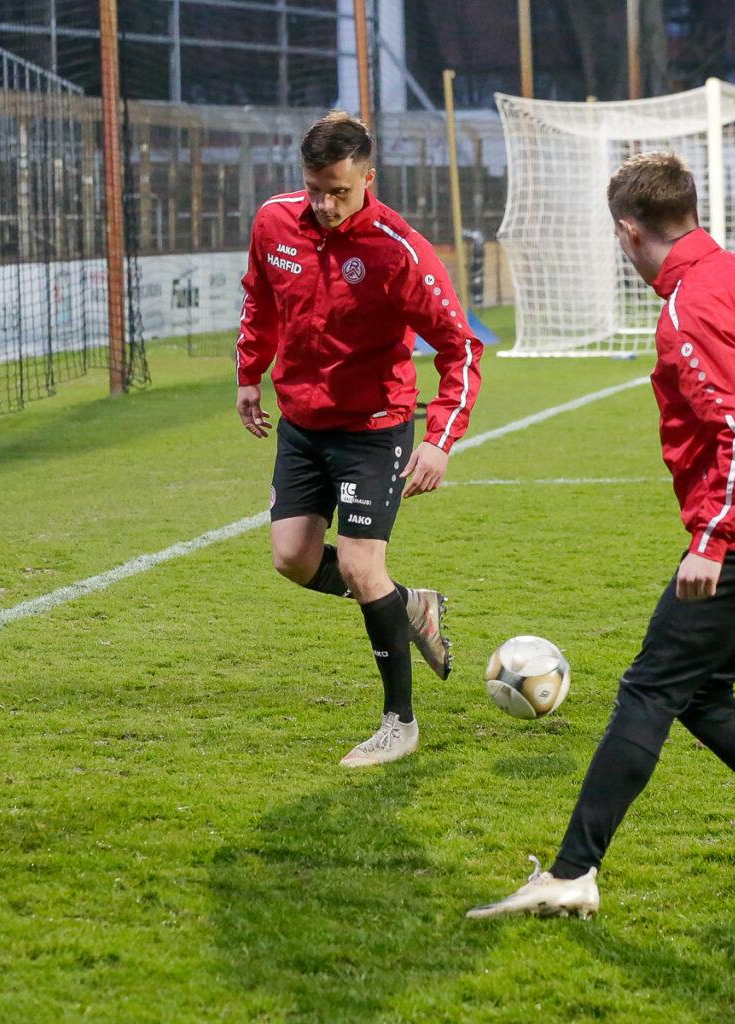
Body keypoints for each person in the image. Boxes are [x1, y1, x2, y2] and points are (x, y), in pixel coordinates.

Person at [467, 153, 735, 919]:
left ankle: (572, 872)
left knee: (649, 686)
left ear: (627, 230)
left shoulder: (693, 305)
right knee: (701, 689)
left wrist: (713, 539)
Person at [236, 111, 483, 768]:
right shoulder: (273, 223)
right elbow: (260, 299)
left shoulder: (399, 251)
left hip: (375, 429)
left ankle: (399, 723)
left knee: (358, 565)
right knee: (291, 558)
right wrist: (249, 375)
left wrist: (439, 441)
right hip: (303, 426)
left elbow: (461, 347)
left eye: (339, 191)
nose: (324, 204)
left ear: (368, 179)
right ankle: (411, 607)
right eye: (315, 188)